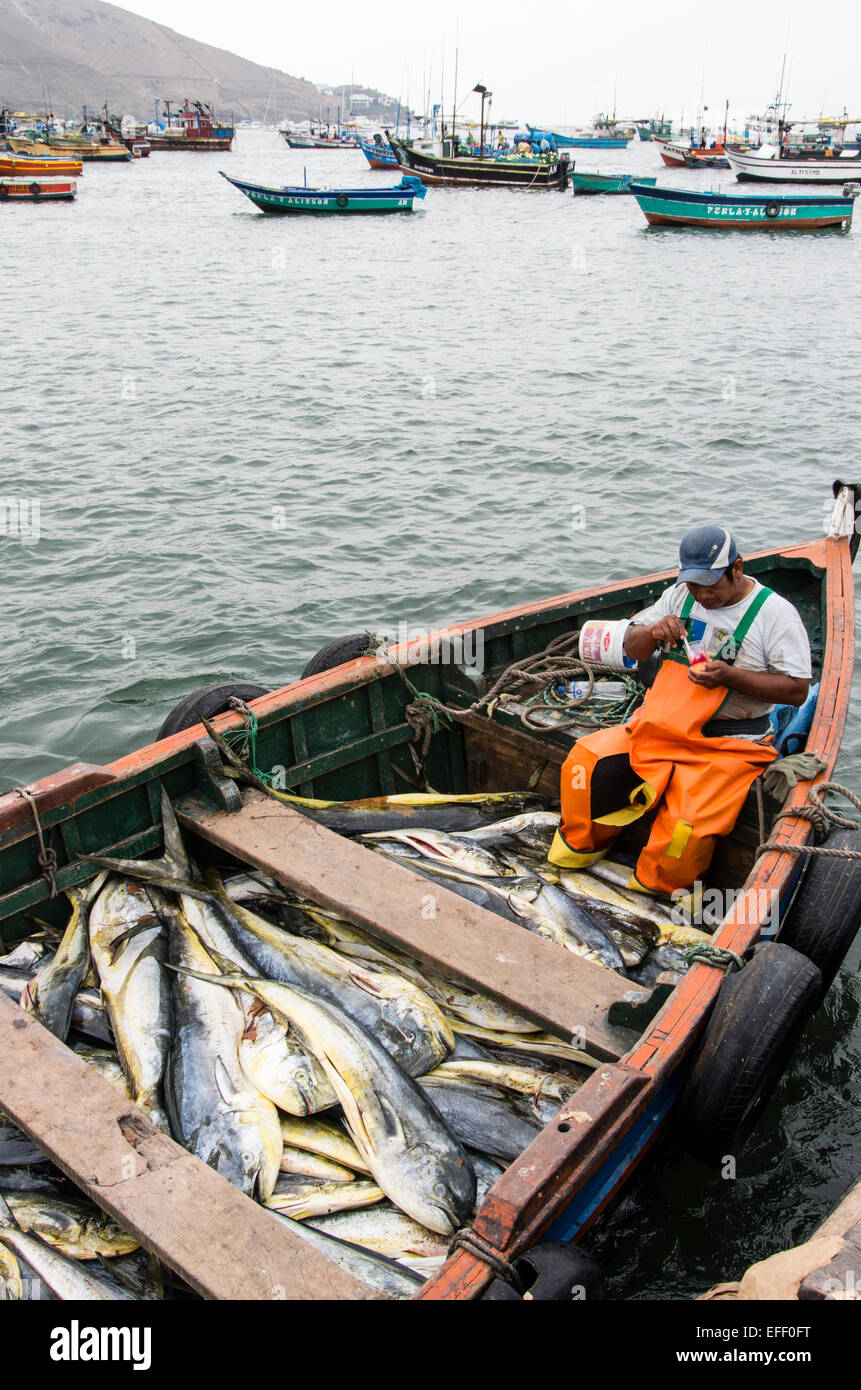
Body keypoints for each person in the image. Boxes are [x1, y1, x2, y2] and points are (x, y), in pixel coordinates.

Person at [548, 526, 812, 901]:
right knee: (585, 763)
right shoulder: (677, 597)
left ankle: (654, 895)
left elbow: (797, 689)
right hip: (658, 728)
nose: (702, 595)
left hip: (727, 745)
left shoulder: (775, 615)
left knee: (683, 831)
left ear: (737, 569)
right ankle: (575, 854)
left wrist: (730, 676)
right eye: (694, 585)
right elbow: (635, 650)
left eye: (710, 585)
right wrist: (654, 631)